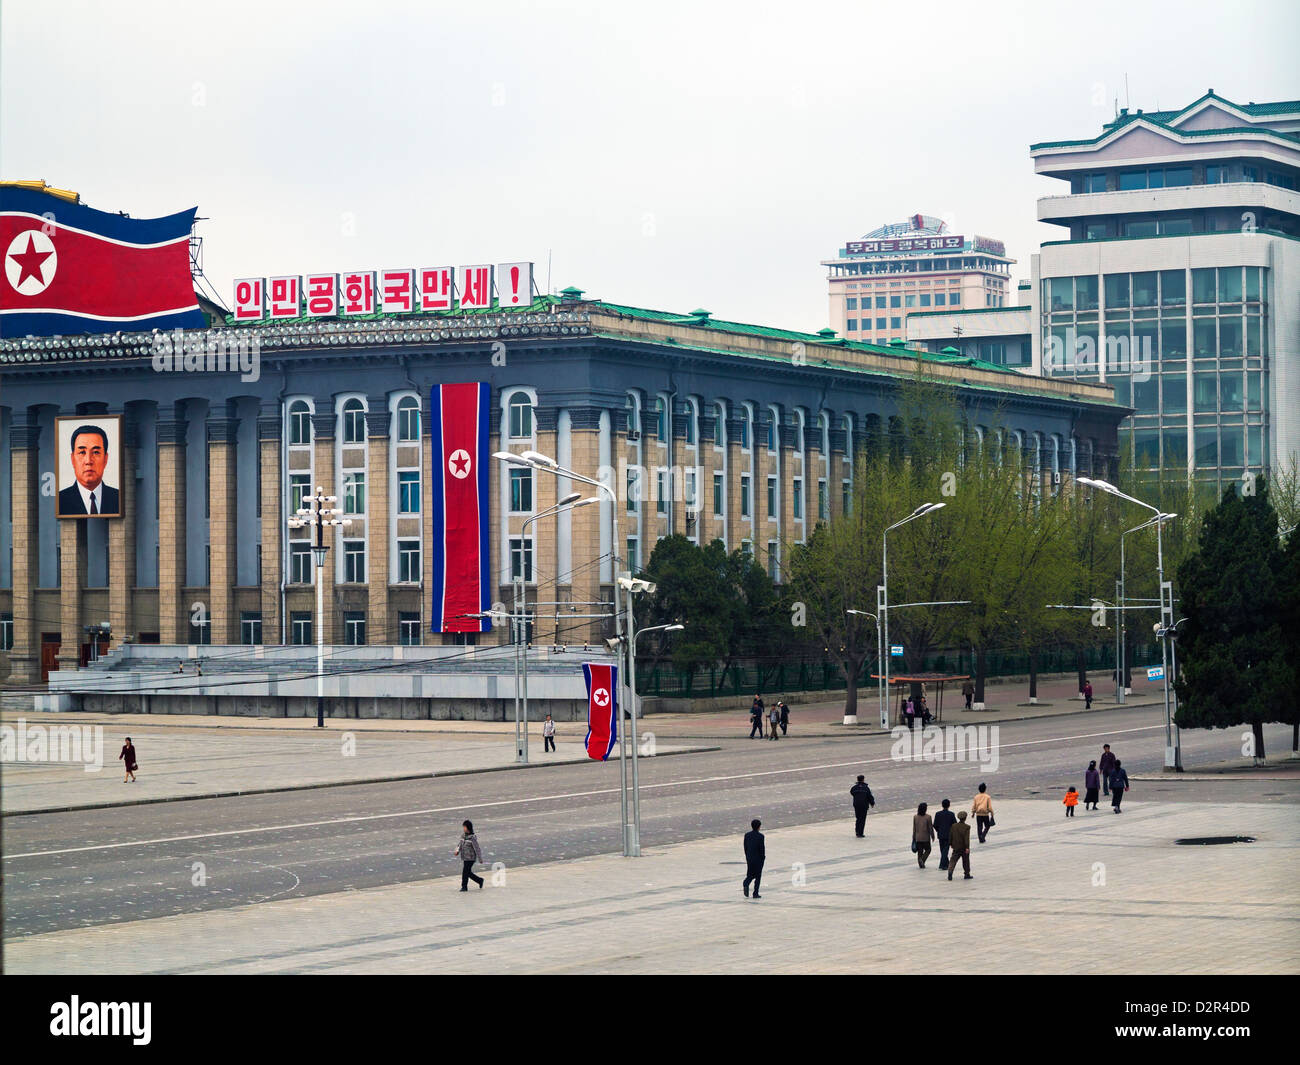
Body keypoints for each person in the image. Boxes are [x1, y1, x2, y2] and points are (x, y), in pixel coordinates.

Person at [58, 424, 120, 516]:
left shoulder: (119, 498)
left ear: (105, 459)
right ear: (72, 459)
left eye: (95, 452)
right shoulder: (60, 500)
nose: (88, 461)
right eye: (82, 452)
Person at [454, 819, 485, 890]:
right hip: (465, 857)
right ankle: (480, 880)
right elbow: (460, 845)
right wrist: (457, 851)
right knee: (468, 872)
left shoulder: (472, 838)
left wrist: (480, 859)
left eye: (464, 827)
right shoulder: (463, 836)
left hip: (471, 858)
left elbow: (477, 849)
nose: (463, 828)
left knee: (465, 872)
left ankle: (464, 887)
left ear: (468, 827)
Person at [743, 818, 765, 899]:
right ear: (759, 827)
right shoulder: (761, 836)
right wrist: (763, 858)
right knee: (758, 876)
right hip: (758, 859)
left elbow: (745, 846)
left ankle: (746, 883)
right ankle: (755, 893)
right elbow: (761, 848)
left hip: (749, 858)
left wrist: (747, 856)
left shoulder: (747, 835)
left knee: (750, 874)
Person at [947, 811, 973, 880]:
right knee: (966, 861)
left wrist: (950, 843)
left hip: (956, 846)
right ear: (965, 818)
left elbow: (950, 835)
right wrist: (967, 847)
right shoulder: (967, 827)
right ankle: (967, 874)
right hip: (963, 847)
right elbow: (966, 838)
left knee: (953, 860)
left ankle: (950, 871)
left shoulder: (953, 826)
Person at [933, 798, 956, 870]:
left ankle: (947, 864)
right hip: (948, 835)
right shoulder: (951, 814)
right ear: (949, 805)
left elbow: (935, 825)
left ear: (942, 805)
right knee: (945, 850)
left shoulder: (938, 814)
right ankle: (942, 865)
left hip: (940, 835)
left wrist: (938, 831)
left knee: (942, 850)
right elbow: (954, 825)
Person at [912, 802, 935, 868]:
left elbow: (914, 828)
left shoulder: (915, 817)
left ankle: (920, 864)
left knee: (920, 851)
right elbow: (930, 827)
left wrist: (913, 837)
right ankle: (922, 860)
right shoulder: (928, 817)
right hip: (925, 837)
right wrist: (932, 836)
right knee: (928, 850)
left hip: (918, 837)